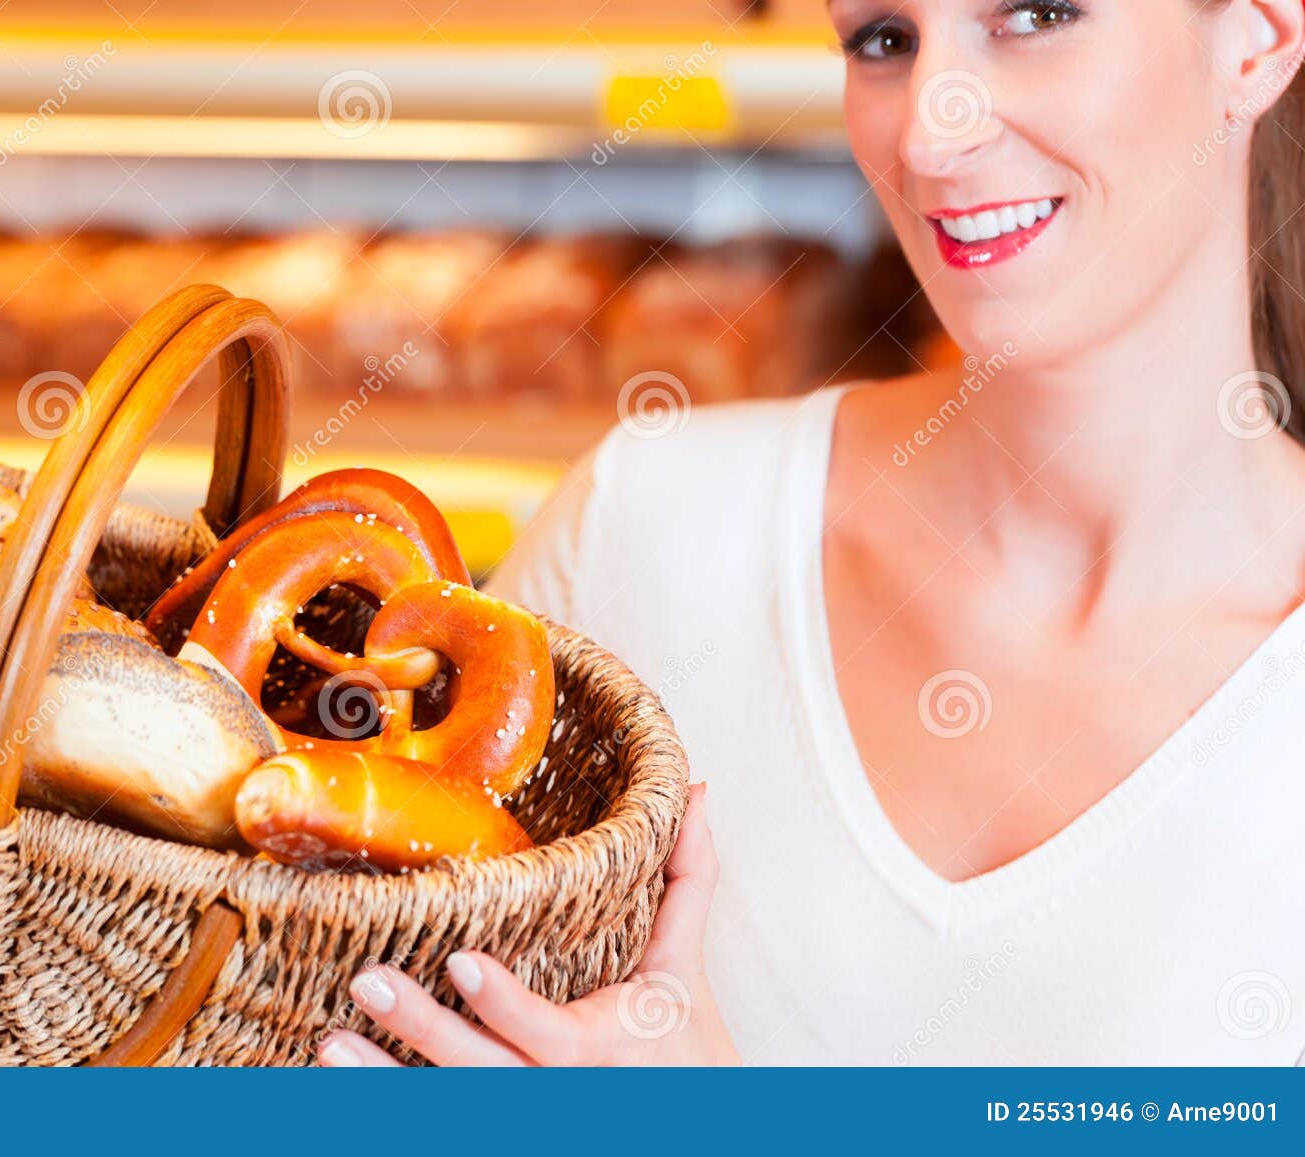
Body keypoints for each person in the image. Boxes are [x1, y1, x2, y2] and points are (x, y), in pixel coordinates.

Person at [316, 0, 1305, 1066]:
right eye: (883, 39)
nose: (929, 132)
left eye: (1035, 15)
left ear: (1255, 36)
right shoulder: (639, 530)